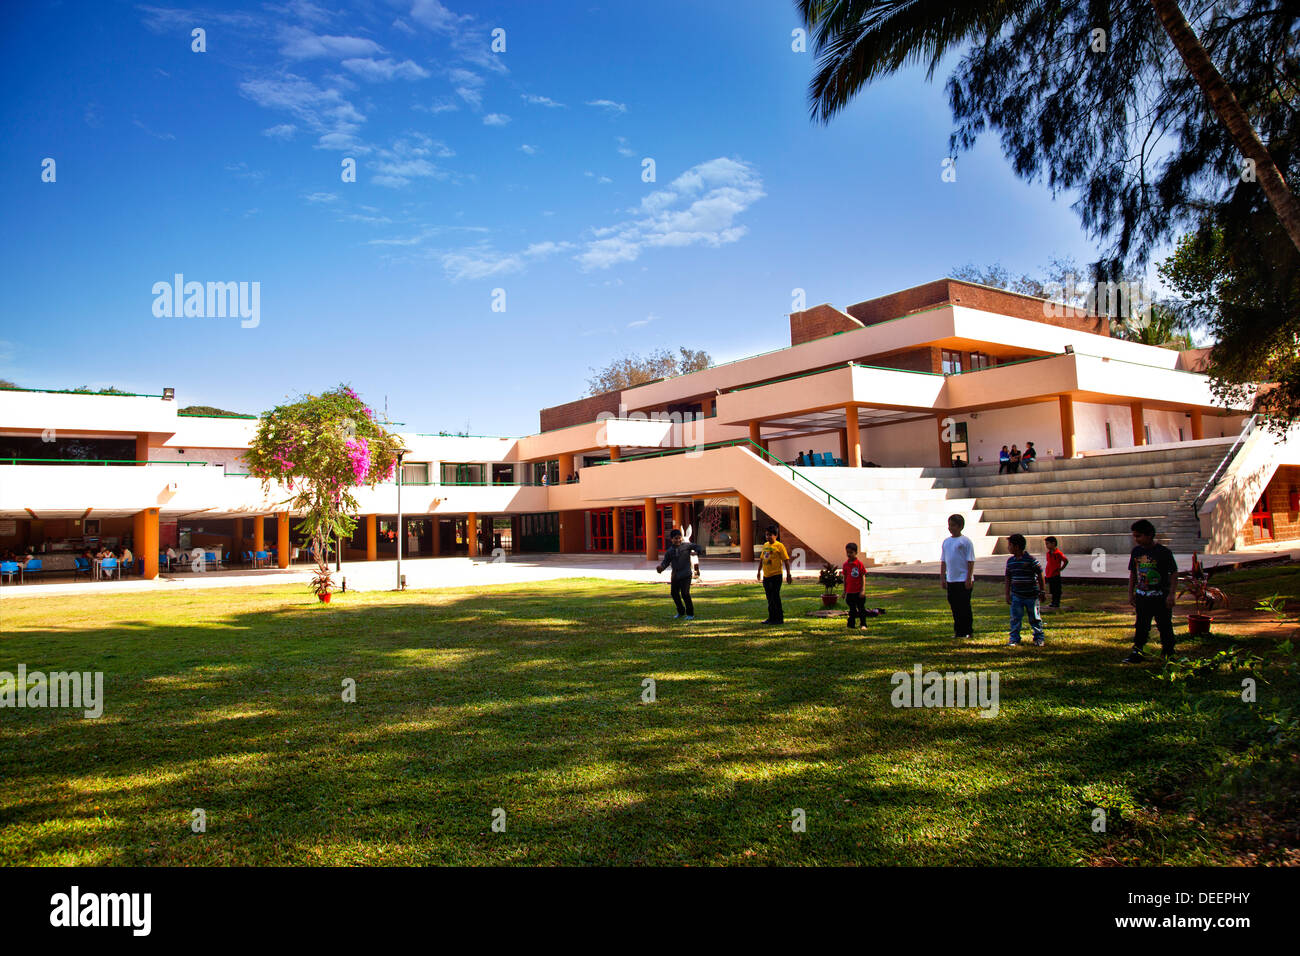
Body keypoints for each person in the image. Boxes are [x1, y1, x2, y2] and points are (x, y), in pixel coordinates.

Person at [1123, 519, 1179, 663]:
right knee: (1141, 625)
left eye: (1139, 536)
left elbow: (1173, 573)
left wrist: (1172, 594)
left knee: (1164, 625)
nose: (1136, 539)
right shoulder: (1136, 552)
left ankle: (1168, 651)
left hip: (1160, 596)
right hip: (1143, 596)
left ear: (1149, 535)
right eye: (1134, 536)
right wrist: (1131, 593)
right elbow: (1133, 574)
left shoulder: (1163, 552)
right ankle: (1138, 651)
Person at [1004, 533, 1046, 646]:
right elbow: (1008, 577)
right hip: (1016, 595)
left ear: (1016, 546)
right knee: (1015, 618)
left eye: (1010, 545)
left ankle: (1039, 638)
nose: (1008, 547)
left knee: (1035, 618)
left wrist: (1042, 591)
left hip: (1031, 595)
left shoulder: (1030, 560)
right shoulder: (1010, 561)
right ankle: (1014, 639)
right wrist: (1007, 594)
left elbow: (1040, 573)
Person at [656, 529, 705, 620]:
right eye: (675, 538)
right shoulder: (669, 551)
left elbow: (697, 546)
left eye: (679, 538)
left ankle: (690, 614)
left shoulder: (687, 546)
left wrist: (698, 551)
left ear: (681, 538)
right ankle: (681, 612)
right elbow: (665, 562)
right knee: (674, 594)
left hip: (686, 575)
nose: (678, 540)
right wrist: (660, 568)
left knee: (685, 594)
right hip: (675, 576)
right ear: (671, 539)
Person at [940, 514, 975, 639]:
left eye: (953, 525)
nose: (950, 528)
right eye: (949, 525)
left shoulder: (965, 541)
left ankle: (967, 630)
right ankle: (958, 631)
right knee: (954, 606)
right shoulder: (946, 542)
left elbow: (970, 561)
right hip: (951, 579)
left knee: (964, 606)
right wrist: (943, 578)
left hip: (962, 579)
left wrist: (968, 578)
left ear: (960, 526)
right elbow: (943, 561)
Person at [757, 525, 792, 624]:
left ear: (776, 535)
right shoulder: (765, 545)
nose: (767, 537)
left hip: (776, 576)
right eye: (766, 535)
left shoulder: (779, 546)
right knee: (769, 598)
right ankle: (771, 618)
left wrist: (788, 574)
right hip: (766, 576)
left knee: (775, 597)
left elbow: (786, 560)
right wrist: (759, 571)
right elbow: (762, 559)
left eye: (770, 535)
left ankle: (779, 618)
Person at [843, 543, 868, 630]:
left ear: (856, 552)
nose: (849, 554)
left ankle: (863, 624)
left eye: (851, 552)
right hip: (850, 592)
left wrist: (863, 590)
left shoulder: (859, 564)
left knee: (861, 609)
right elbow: (845, 578)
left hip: (858, 591)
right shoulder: (845, 565)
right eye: (847, 552)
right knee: (852, 610)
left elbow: (863, 576)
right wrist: (844, 591)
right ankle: (851, 625)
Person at [1043, 536, 1068, 608]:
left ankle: (1056, 602)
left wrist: (1061, 568)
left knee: (1057, 589)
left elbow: (1065, 561)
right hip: (1049, 574)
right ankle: (1053, 601)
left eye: (1047, 544)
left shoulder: (1058, 553)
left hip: (1055, 574)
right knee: (1052, 589)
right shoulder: (1048, 553)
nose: (1046, 546)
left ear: (1053, 543)